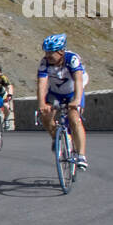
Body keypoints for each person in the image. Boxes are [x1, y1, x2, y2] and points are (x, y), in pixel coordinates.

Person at [37, 34, 88, 169]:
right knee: (46, 117)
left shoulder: (72, 59)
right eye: (46, 52)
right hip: (55, 92)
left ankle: (81, 155)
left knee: (74, 118)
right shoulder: (45, 62)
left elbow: (78, 80)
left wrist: (76, 100)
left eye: (50, 53)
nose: (47, 56)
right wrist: (42, 104)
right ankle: (56, 137)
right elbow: (42, 84)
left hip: (73, 91)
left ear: (61, 51)